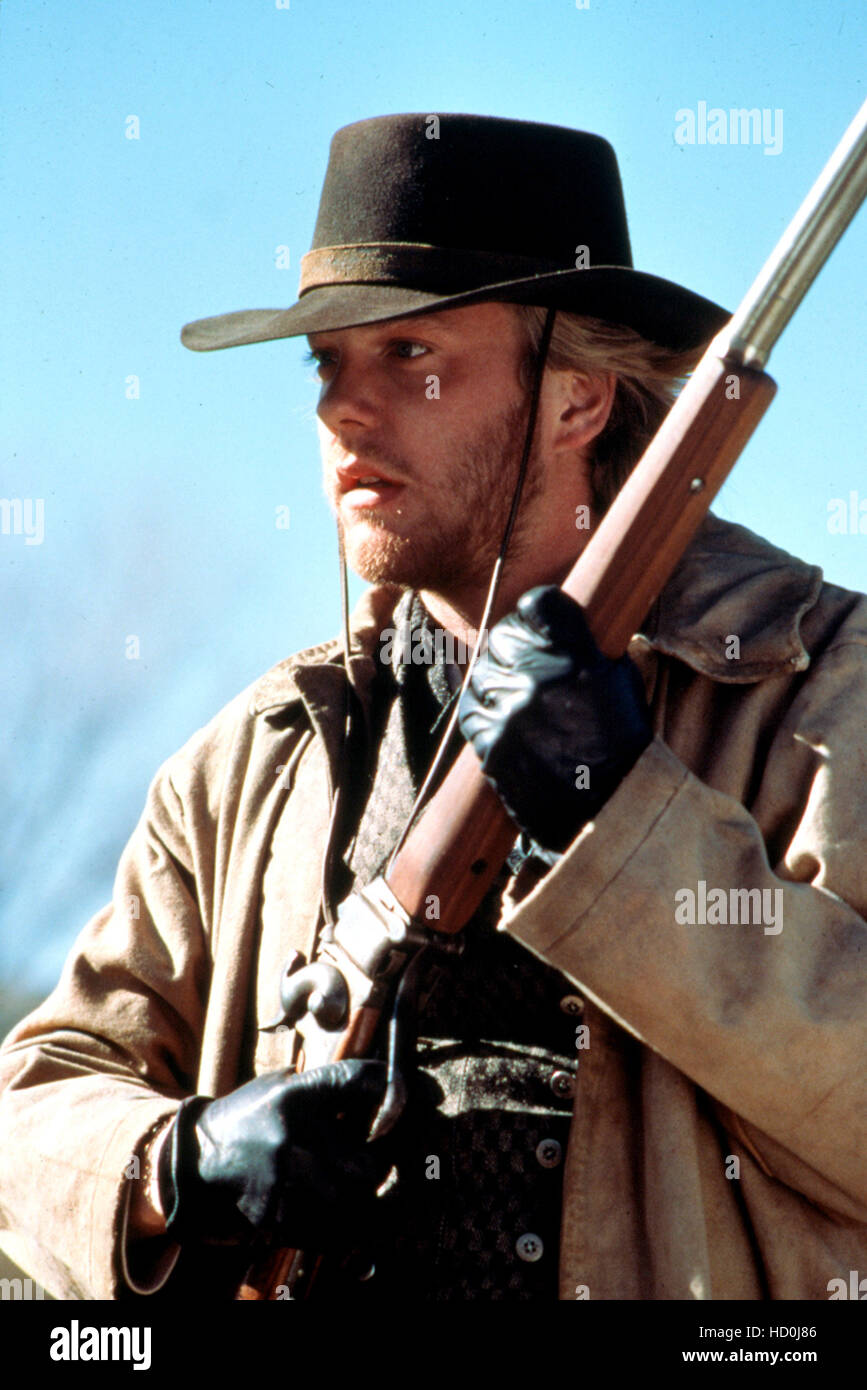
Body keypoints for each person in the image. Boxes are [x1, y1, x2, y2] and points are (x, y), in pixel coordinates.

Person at [1, 113, 866, 1302]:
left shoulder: (821, 680)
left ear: (578, 402)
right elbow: (37, 1097)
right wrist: (174, 1169)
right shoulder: (255, 759)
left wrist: (621, 819)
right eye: (327, 363)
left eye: (410, 354)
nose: (342, 412)